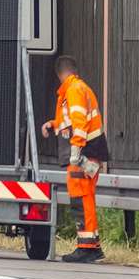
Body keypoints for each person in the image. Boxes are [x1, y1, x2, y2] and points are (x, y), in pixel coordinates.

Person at [41, 55, 107, 263]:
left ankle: (86, 248)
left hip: (83, 152)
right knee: (85, 197)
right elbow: (69, 120)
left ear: (60, 74)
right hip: (90, 150)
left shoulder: (73, 90)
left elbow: (79, 123)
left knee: (80, 198)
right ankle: (92, 245)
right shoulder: (78, 89)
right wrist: (53, 124)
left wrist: (76, 151)